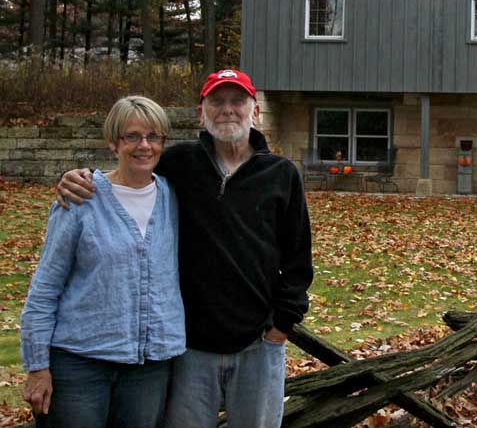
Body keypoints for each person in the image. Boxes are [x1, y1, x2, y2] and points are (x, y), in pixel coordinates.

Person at [56, 69, 314, 428]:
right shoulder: (178, 163)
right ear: (201, 112)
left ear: (254, 110)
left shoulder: (282, 174)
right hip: (190, 347)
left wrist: (281, 325)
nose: (228, 109)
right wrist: (79, 176)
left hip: (259, 344)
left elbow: (298, 258)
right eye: (216, 101)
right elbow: (130, 165)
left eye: (238, 101)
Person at [22, 96, 185, 427]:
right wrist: (37, 365)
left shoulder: (176, 197)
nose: (144, 146)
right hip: (80, 363)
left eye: (154, 137)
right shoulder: (81, 199)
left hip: (147, 366)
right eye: (132, 136)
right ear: (112, 142)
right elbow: (45, 286)